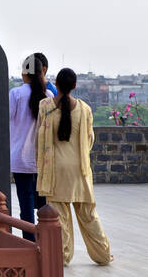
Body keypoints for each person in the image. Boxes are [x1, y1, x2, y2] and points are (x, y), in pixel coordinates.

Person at [36, 67, 114, 265]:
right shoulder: (85, 109)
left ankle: (62, 256)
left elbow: (39, 137)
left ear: (57, 84)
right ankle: (103, 255)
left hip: (54, 171)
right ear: (75, 86)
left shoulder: (45, 106)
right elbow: (89, 140)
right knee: (88, 216)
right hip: (79, 170)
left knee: (59, 218)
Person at [8, 54, 48, 240]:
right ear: (41, 73)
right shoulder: (48, 95)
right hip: (42, 158)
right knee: (43, 204)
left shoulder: (16, 94)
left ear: (24, 73)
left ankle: (30, 242)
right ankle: (45, 240)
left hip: (20, 156)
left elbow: (7, 119)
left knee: (26, 204)